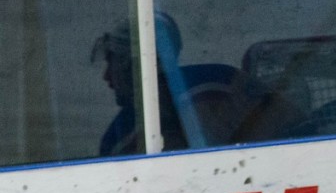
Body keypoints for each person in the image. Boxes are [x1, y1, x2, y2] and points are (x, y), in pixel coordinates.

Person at [95, 13, 306, 156]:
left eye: (111, 63)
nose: (106, 77)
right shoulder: (120, 134)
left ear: (134, 64)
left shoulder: (212, 89)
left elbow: (300, 129)